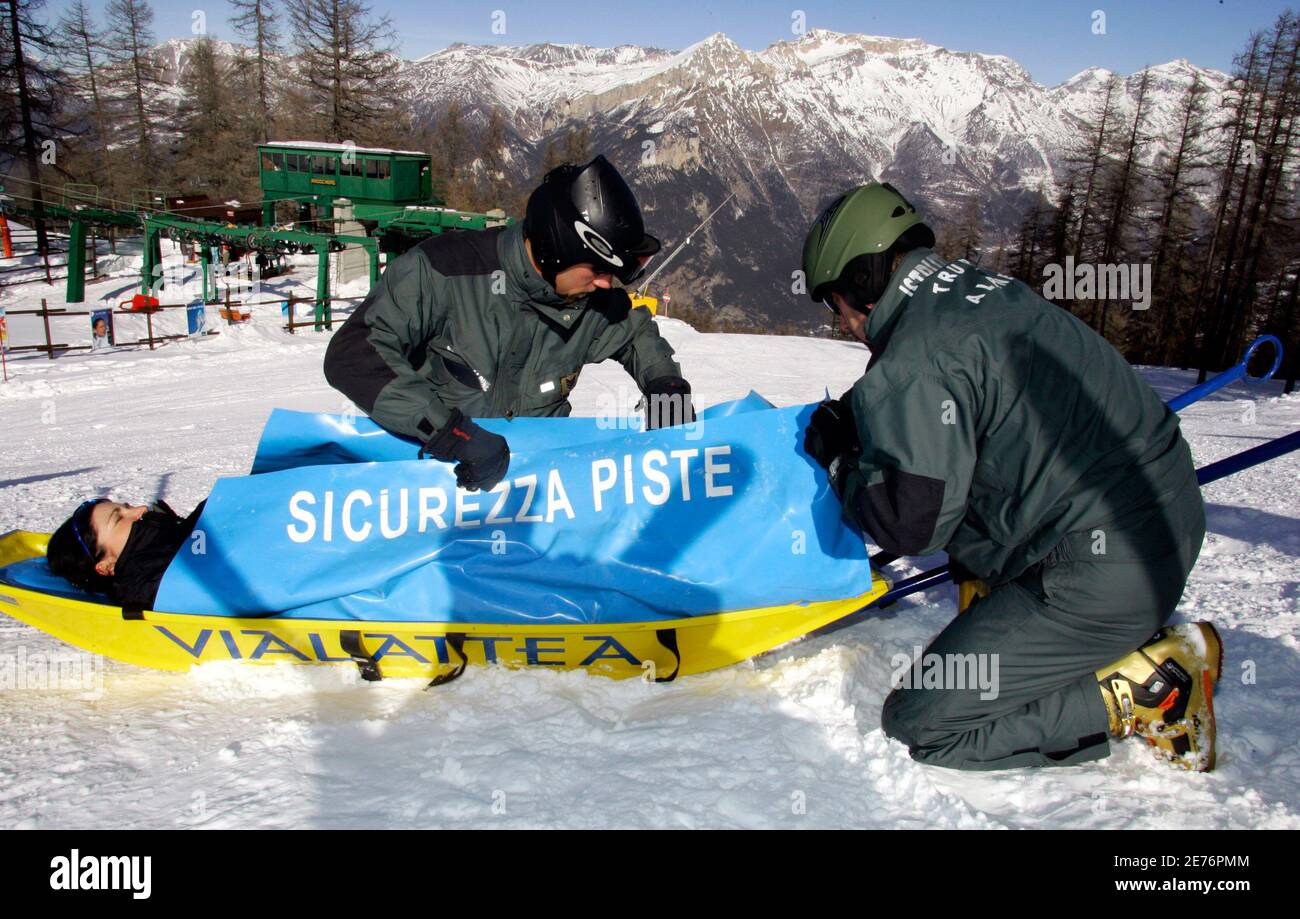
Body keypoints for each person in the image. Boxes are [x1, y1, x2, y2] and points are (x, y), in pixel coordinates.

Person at [800, 182, 1219, 772]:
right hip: (1162, 521)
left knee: (922, 722)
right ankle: (1021, 602)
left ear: (863, 282)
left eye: (833, 302)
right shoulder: (981, 288)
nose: (840, 322)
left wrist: (843, 464)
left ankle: (1146, 690)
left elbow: (908, 523)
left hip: (1100, 574)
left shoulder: (917, 358)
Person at [324, 154, 695, 494]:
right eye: (598, 270)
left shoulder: (591, 301)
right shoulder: (442, 272)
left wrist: (666, 386)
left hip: (535, 498)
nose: (605, 283)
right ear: (555, 249)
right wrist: (451, 433)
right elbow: (355, 357)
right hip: (440, 489)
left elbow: (635, 334)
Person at [46, 498, 204, 613]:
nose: (141, 508)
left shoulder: (179, 535)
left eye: (128, 507)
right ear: (106, 565)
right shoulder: (145, 581)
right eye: (119, 519)